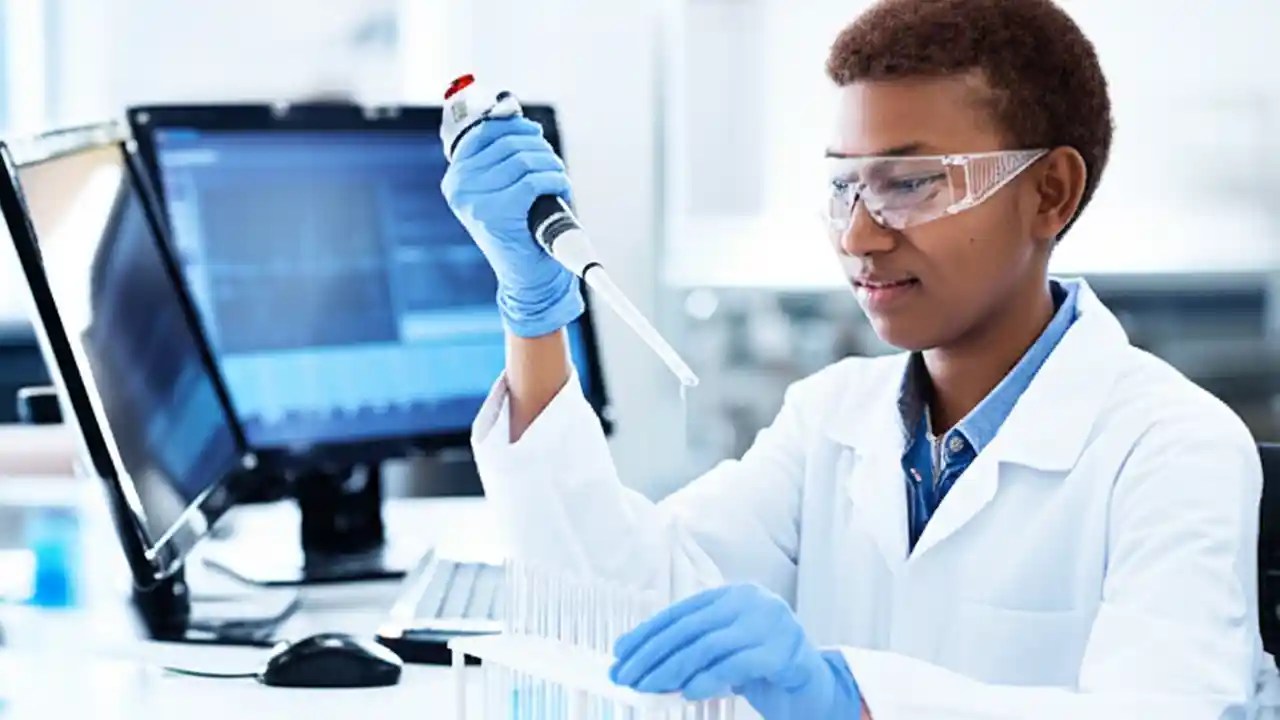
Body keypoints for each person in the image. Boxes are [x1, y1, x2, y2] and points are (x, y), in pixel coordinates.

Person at [441, 0, 1267, 717]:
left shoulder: (1173, 449)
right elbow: (611, 605)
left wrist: (850, 697)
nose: (859, 236)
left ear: (1049, 192)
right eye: (846, 186)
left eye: (910, 183)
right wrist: (534, 310)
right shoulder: (831, 421)